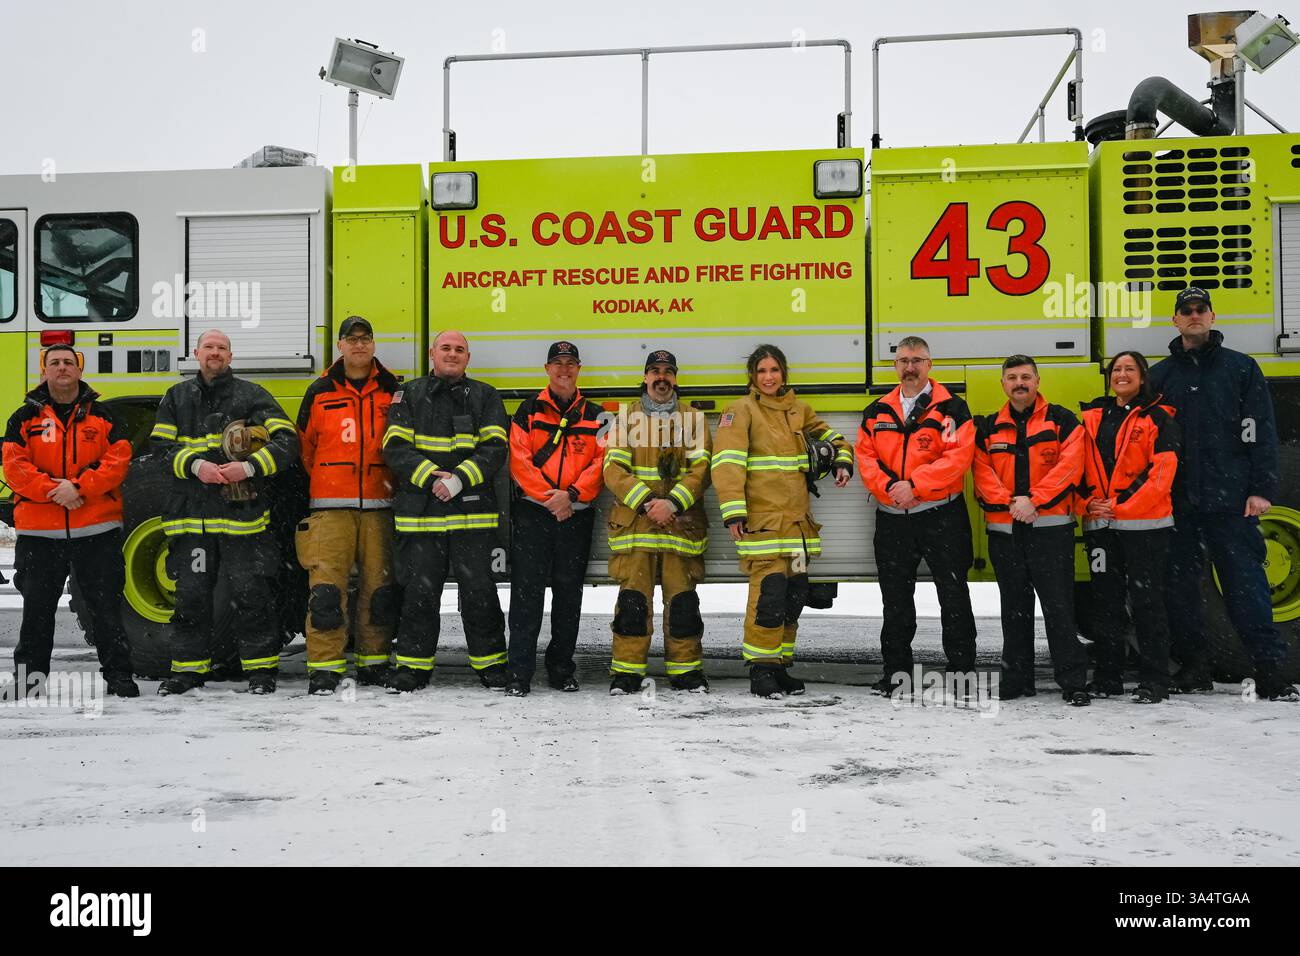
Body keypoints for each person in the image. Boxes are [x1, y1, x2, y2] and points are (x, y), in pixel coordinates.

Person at [1149, 286, 1297, 701]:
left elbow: (1261, 432)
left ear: (1212, 317)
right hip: (1177, 503)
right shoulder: (1160, 376)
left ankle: (1270, 673)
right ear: (1175, 320)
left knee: (1245, 586)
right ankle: (1194, 669)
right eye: (1186, 310)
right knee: (1180, 592)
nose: (1194, 315)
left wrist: (1262, 490)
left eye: (1200, 309)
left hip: (1230, 501)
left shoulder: (1241, 369)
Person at [149, 329, 299, 695]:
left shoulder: (252, 396)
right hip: (193, 520)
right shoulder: (176, 397)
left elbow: (288, 441)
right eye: (209, 347)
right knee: (191, 598)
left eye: (222, 348)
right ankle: (187, 672)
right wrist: (196, 466)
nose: (215, 353)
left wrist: (249, 468)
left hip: (241, 519)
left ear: (231, 356)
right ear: (196, 353)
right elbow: (159, 447)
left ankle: (261, 673)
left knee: (253, 596)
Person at [711, 344, 852, 699]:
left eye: (774, 370)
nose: (769, 377)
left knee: (794, 596)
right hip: (763, 525)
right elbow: (726, 465)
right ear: (753, 378)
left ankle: (779, 667)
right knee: (769, 596)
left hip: (799, 529)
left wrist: (841, 461)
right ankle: (760, 671)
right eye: (762, 372)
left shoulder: (798, 410)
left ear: (784, 374)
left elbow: (834, 439)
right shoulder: (740, 411)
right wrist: (733, 511)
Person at [2, 344, 137, 697]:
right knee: (37, 611)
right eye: (54, 363)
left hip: (96, 531)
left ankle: (120, 677)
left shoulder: (104, 416)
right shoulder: (22, 419)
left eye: (68, 362)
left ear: (79, 369)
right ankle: (28, 683)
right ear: (43, 370)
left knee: (106, 608)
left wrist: (79, 487)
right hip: (39, 534)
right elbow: (15, 468)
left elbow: (118, 461)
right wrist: (55, 491)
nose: (61, 368)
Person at [381, 330, 511, 693]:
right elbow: (393, 447)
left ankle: (490, 664)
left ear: (468, 358)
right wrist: (429, 477)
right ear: (431, 354)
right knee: (418, 595)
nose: (452, 355)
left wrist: (458, 479)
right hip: (422, 516)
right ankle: (412, 667)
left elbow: (496, 447)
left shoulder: (485, 396)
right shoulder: (408, 395)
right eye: (445, 348)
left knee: (480, 594)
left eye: (459, 350)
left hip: (471, 518)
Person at [855, 336, 977, 695]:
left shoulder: (952, 408)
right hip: (893, 518)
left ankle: (961, 674)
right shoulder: (877, 411)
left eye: (917, 360)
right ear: (895, 366)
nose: (910, 368)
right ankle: (897, 675)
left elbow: (957, 459)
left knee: (953, 596)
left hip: (942, 516)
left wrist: (915, 486)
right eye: (904, 361)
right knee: (895, 601)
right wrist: (892, 488)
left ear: (930, 364)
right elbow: (866, 458)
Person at [972, 355, 1090, 706]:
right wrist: (1012, 503)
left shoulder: (1063, 421)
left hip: (1051, 532)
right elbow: (981, 472)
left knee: (1059, 608)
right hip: (1007, 533)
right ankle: (1016, 679)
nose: (1019, 382)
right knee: (1014, 608)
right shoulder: (989, 427)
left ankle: (1072, 681)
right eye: (1012, 377)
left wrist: (1034, 501)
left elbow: (1071, 466)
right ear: (1003, 384)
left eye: (1026, 376)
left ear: (1037, 382)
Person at [295, 316, 400, 695]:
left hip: (379, 505)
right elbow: (304, 448)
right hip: (329, 508)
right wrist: (330, 480)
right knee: (325, 592)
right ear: (339, 345)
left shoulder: (393, 390)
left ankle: (374, 663)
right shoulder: (320, 391)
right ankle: (324, 668)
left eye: (366, 338)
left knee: (380, 591)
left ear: (373, 344)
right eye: (351, 339)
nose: (359, 345)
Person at [603, 350, 712, 694]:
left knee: (683, 606)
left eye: (668, 371)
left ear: (676, 378)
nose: (661, 377)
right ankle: (626, 673)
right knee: (633, 604)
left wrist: (673, 502)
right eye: (655, 371)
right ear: (645, 377)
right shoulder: (625, 419)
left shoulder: (693, 420)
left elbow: (702, 471)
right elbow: (613, 470)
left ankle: (686, 672)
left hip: (679, 527)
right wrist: (649, 502)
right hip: (638, 527)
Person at [1078, 351, 1181, 703]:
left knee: (1147, 603)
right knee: (1105, 603)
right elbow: (1076, 468)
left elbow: (1161, 475)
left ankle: (1155, 680)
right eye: (1116, 369)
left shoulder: (1160, 418)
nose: (1121, 375)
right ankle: (1108, 676)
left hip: (1145, 528)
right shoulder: (1091, 417)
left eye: (1129, 369)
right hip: (1100, 527)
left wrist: (1119, 508)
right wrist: (1087, 504)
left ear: (1142, 375)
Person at [504, 341, 606, 696]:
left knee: (568, 596)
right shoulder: (528, 411)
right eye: (558, 363)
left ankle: (561, 668)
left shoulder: (596, 414)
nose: (564, 370)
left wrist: (572, 496)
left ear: (579, 369)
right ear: (547, 369)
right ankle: (519, 672)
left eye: (570, 363)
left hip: (575, 517)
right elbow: (519, 461)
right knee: (526, 594)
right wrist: (552, 499)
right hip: (534, 514)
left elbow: (601, 462)